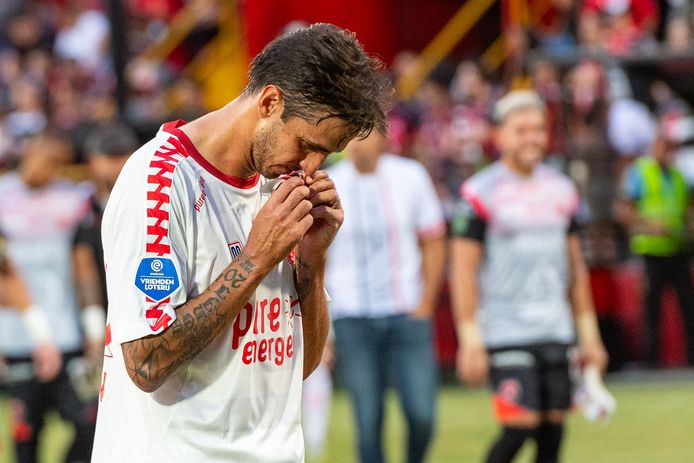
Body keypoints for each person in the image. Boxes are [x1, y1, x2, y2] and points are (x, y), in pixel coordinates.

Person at [91, 23, 391, 462]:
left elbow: (298, 367)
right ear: (270, 102)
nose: (311, 167)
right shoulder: (159, 181)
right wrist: (255, 258)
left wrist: (311, 261)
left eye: (327, 154)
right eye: (307, 145)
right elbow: (146, 362)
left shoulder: (280, 186)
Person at [450, 90, 608, 463]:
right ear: (500, 135)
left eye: (538, 129)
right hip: (506, 331)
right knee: (519, 427)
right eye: (521, 130)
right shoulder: (479, 193)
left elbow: (576, 271)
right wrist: (470, 338)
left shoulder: (563, 189)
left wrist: (589, 337)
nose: (531, 138)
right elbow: (463, 271)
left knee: (552, 434)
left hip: (555, 330)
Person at [325, 130, 446, 463]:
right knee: (367, 419)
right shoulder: (329, 183)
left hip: (406, 311)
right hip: (352, 316)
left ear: (383, 137)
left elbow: (434, 240)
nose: (359, 143)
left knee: (422, 414)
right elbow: (317, 259)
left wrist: (425, 303)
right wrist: (324, 329)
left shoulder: (410, 176)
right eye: (351, 134)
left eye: (367, 134)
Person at [0, 129, 97, 463]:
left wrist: (93, 327)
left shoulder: (71, 199)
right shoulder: (3, 197)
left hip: (65, 333)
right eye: (45, 160)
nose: (48, 171)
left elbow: (82, 265)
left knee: (90, 423)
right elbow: (5, 276)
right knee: (26, 434)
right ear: (29, 154)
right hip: (16, 338)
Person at [617, 108, 694, 367]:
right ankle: (652, 363)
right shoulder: (640, 172)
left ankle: (690, 360)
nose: (669, 152)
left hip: (679, 248)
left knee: (688, 309)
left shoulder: (679, 174)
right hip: (651, 252)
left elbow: (687, 208)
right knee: (652, 311)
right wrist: (650, 226)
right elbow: (624, 210)